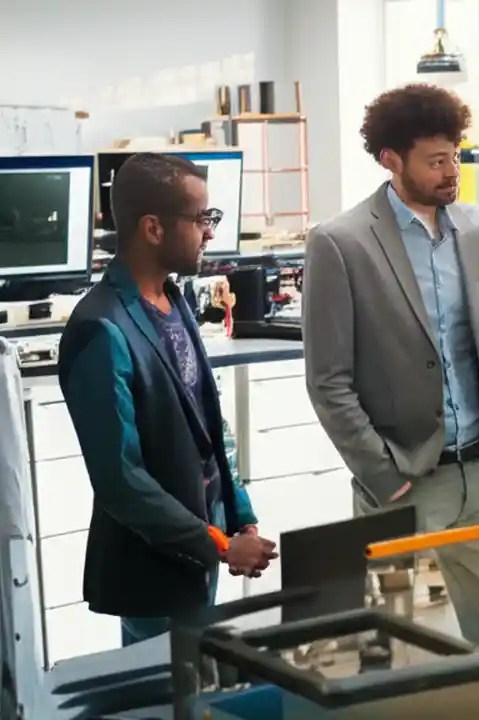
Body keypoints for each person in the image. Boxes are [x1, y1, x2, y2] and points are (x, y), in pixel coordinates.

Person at [303, 84, 479, 644]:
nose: (452, 170)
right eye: (436, 160)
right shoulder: (340, 242)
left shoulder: (477, 229)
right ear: (391, 160)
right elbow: (329, 381)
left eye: (454, 155)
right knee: (383, 646)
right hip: (402, 478)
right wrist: (383, 474)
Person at [58, 153, 277, 645]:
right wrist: (217, 544)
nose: (210, 232)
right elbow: (121, 480)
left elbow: (209, 422)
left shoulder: (173, 299)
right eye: (201, 219)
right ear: (153, 228)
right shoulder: (100, 326)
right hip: (154, 563)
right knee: (162, 696)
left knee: (196, 686)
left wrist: (239, 515)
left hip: (205, 544)